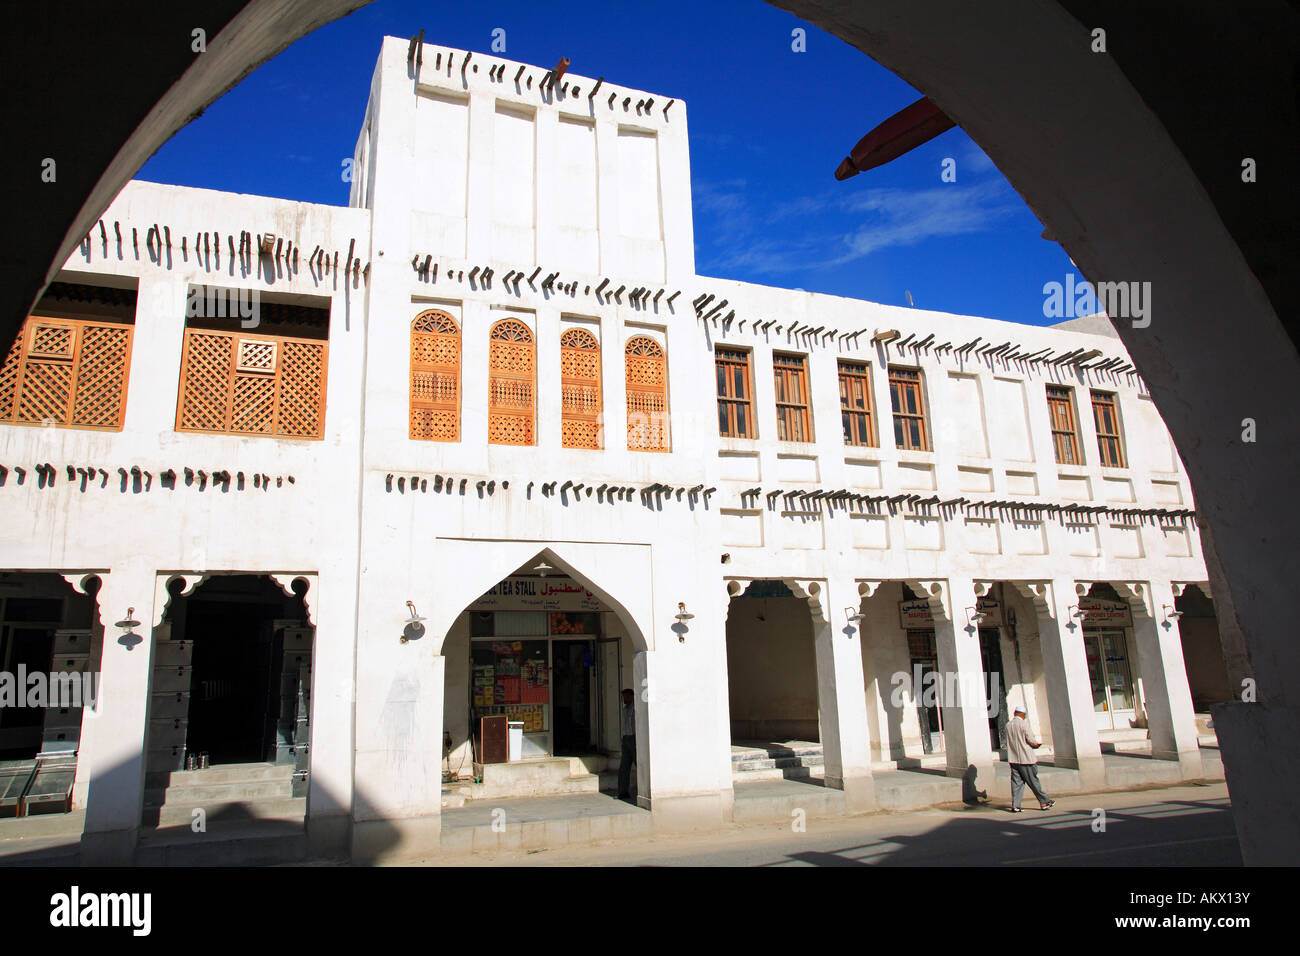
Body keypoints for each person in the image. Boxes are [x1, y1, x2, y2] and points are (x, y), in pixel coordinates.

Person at [1006, 705, 1055, 812]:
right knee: (1033, 781)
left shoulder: (1008, 725)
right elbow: (1031, 740)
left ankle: (1015, 805)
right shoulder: (1024, 724)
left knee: (1016, 783)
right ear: (1023, 714)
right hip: (1026, 759)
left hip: (1014, 759)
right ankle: (1044, 802)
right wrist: (1036, 745)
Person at [618, 688, 636, 800]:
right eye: (623, 697)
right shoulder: (625, 709)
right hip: (626, 738)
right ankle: (623, 791)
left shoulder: (635, 708)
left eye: (626, 696)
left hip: (633, 738)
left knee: (638, 763)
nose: (624, 699)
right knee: (624, 766)